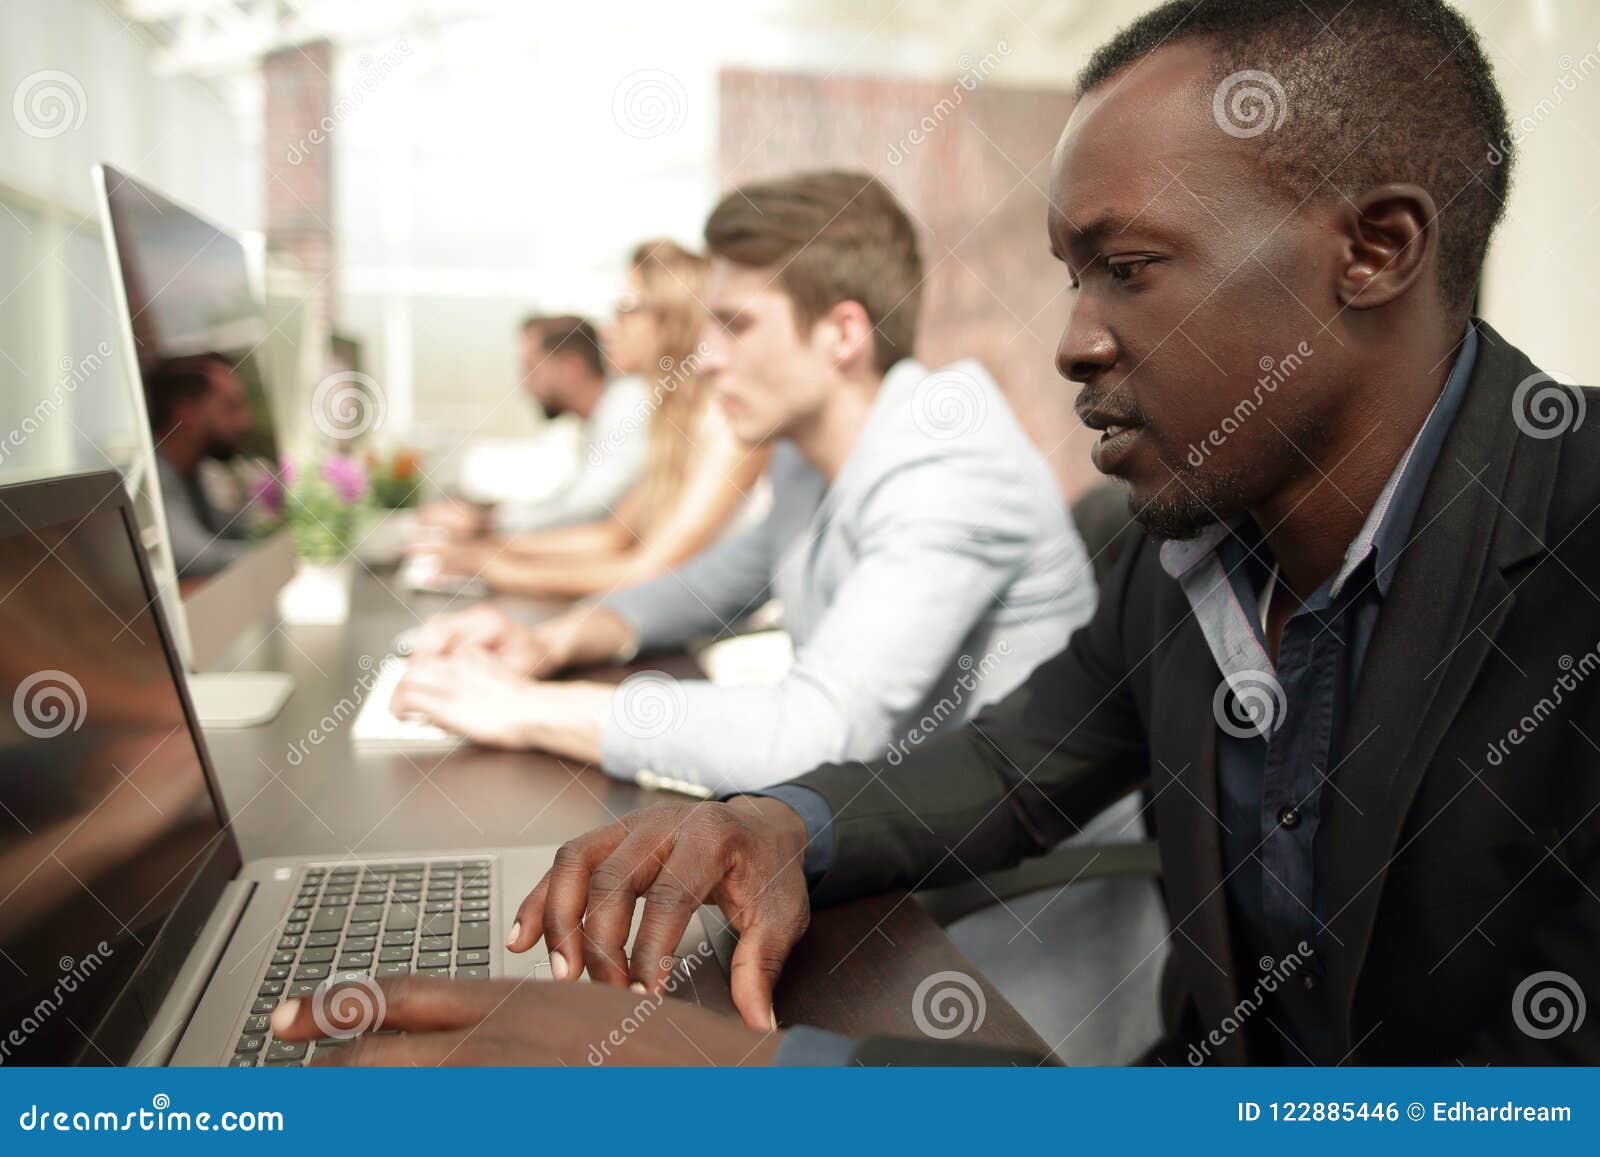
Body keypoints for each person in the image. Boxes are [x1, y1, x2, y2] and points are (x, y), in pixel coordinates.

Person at [271, 0, 1600, 1067]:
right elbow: (1017, 761)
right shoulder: (1181, 545)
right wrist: (783, 827)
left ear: (1373, 250)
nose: (1075, 340)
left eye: (1126, 269)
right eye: (1074, 277)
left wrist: (775, 1085)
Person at [394, 171, 1105, 798]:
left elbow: (815, 733)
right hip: (885, 851)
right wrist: (547, 643)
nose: (704, 357)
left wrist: (522, 708)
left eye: (735, 325)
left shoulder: (948, 464)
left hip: (982, 923)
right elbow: (709, 587)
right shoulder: (809, 455)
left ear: (843, 334)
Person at [411, 240, 771, 599]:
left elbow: (646, 570)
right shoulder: (673, 424)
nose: (609, 328)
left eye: (625, 310)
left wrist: (491, 565)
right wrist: (484, 553)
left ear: (671, 319)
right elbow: (611, 537)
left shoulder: (728, 427)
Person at [416, 315, 648, 538]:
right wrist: (489, 514)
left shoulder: (627, 403)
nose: (525, 385)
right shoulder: (603, 415)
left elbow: (589, 508)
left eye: (531, 368)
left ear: (570, 368)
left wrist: (485, 522)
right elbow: (571, 498)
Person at [145, 353, 257, 578]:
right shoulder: (153, 480)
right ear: (186, 416)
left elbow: (232, 533)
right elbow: (195, 559)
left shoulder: (194, 472)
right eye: (230, 407)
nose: (245, 421)